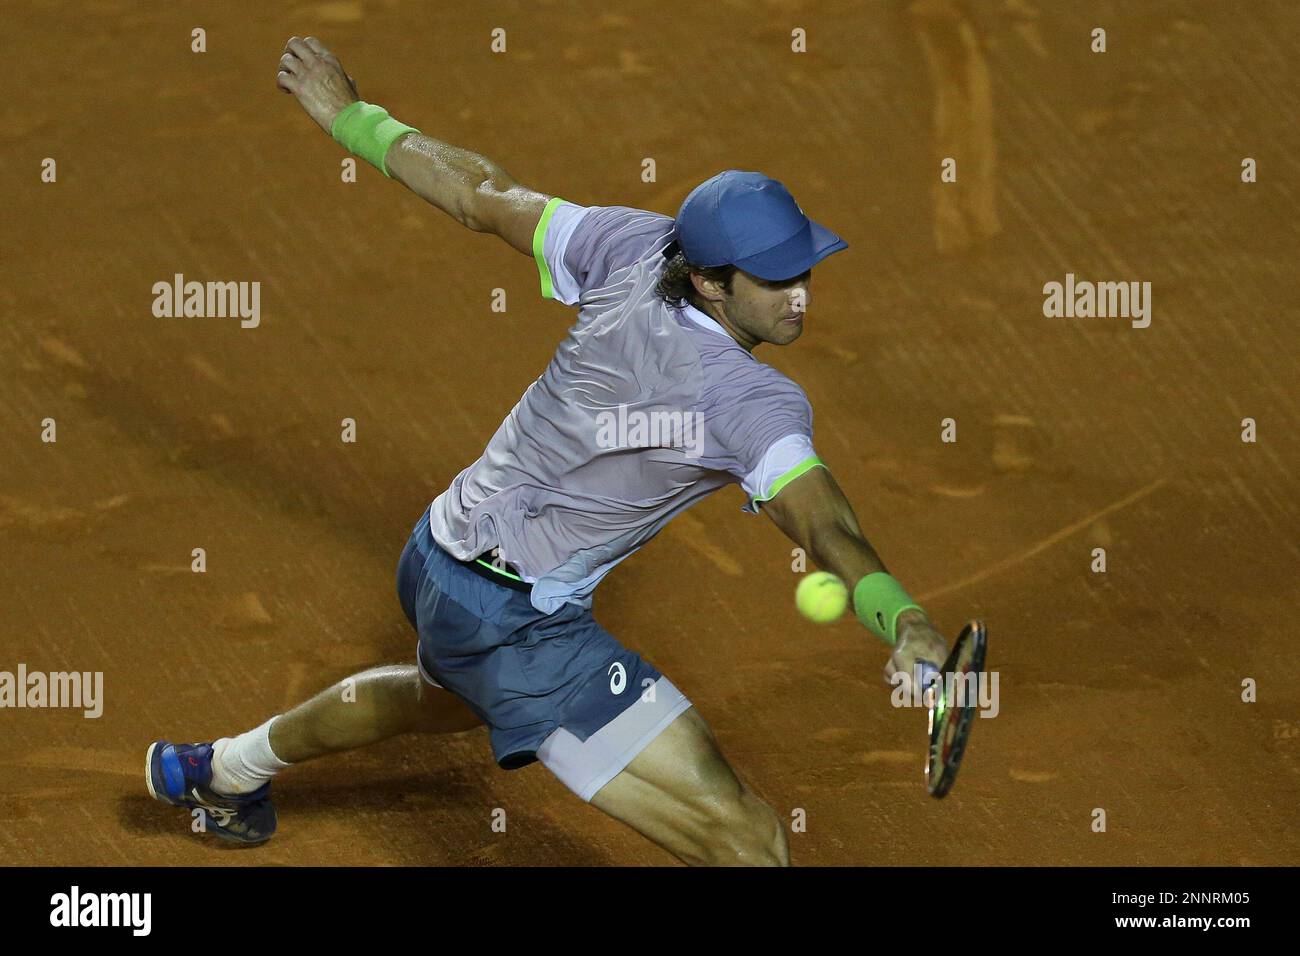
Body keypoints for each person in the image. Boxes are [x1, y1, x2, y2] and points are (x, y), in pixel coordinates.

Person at [145, 36, 950, 866]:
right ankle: (233, 765)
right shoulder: (751, 401)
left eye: (804, 270)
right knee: (749, 845)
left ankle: (222, 769)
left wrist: (354, 117)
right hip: (518, 622)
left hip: (436, 551)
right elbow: (825, 529)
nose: (802, 296)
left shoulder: (636, 246)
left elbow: (483, 195)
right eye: (777, 279)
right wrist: (902, 615)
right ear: (711, 280)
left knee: (447, 695)